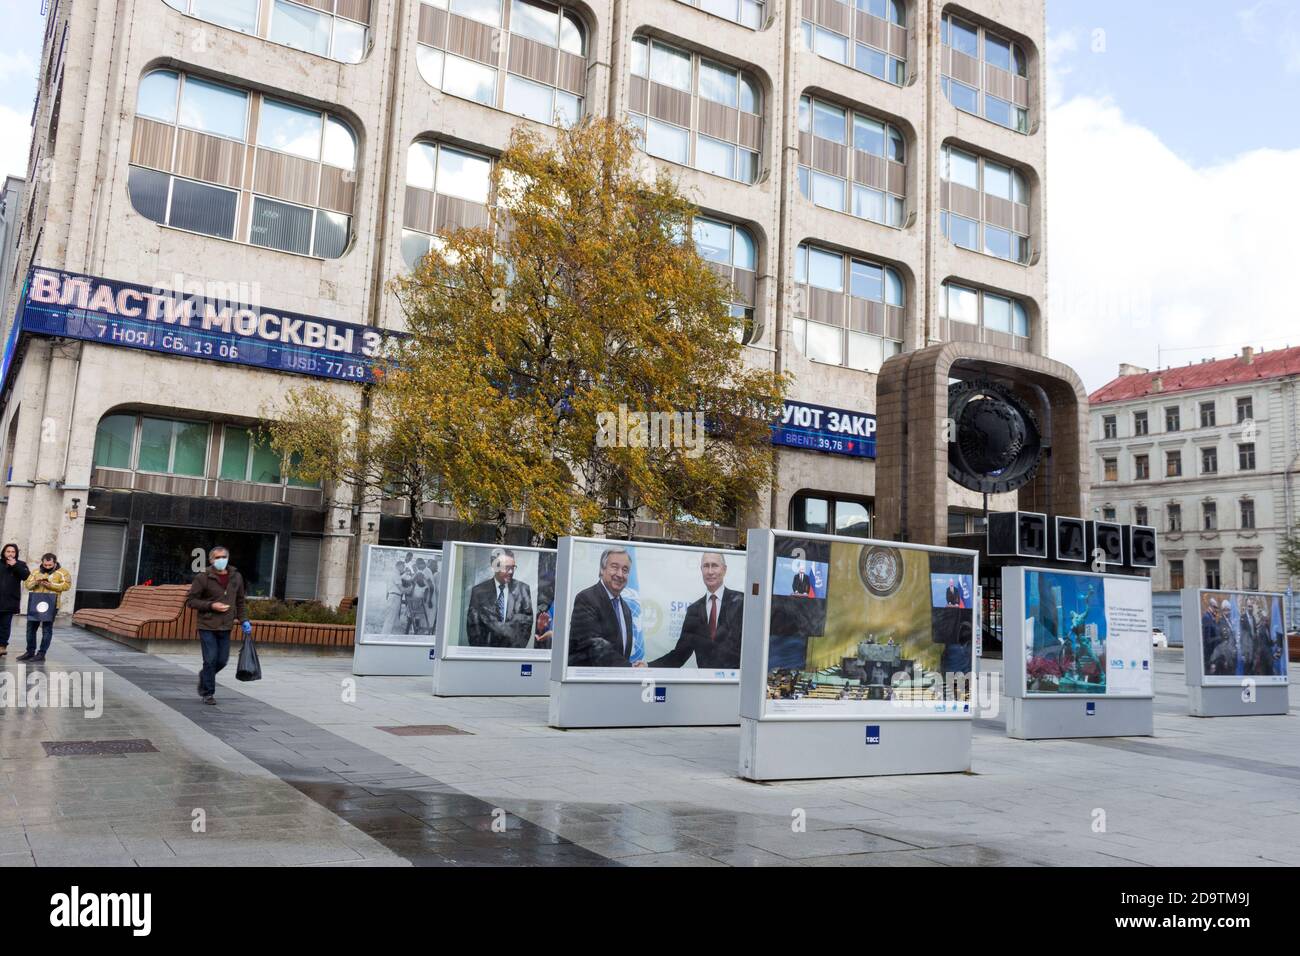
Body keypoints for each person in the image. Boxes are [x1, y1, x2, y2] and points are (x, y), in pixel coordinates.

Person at [649, 552, 744, 669]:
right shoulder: (693, 611)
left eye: (714, 565)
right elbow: (679, 655)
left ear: (724, 570)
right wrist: (648, 667)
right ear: (701, 570)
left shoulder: (742, 602)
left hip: (737, 684)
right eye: (706, 566)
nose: (710, 571)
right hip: (705, 684)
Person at [185, 545, 248, 705]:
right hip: (207, 625)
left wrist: (244, 620)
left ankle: (205, 675)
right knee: (210, 659)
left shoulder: (236, 577)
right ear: (211, 560)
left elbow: (240, 601)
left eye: (224, 557)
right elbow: (191, 601)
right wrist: (211, 605)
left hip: (226, 626)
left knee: (222, 661)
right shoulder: (203, 577)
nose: (221, 560)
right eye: (217, 558)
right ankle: (208, 693)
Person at [567, 548, 638, 667]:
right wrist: (629, 668)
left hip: (617, 682)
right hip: (589, 681)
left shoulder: (626, 609)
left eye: (625, 570)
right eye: (615, 567)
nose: (620, 574)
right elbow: (592, 645)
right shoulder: (586, 599)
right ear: (602, 569)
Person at [466, 548, 534, 648]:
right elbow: (473, 626)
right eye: (507, 567)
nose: (511, 571)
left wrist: (515, 650)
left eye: (513, 567)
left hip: (513, 653)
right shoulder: (479, 592)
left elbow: (527, 623)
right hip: (486, 653)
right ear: (495, 567)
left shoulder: (523, 589)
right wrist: (483, 653)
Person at [18, 553, 71, 662]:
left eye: (50, 565)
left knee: (47, 629)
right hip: (36, 603)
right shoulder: (36, 572)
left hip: (52, 605)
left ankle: (41, 654)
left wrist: (50, 584)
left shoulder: (63, 572)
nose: (47, 567)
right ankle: (30, 652)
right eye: (45, 565)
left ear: (55, 562)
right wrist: (36, 582)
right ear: (42, 562)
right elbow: (27, 585)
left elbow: (67, 586)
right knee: (30, 628)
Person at [0, 543, 30, 657]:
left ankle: (2, 646)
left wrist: (15, 565)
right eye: (8, 551)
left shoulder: (21, 564)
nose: (10, 554)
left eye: (13, 552)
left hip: (10, 601)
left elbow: (26, 576)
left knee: (5, 625)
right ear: (4, 552)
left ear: (16, 553)